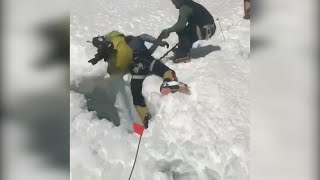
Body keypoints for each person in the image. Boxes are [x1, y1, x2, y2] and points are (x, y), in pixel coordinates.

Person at [88, 31, 189, 129]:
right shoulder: (134, 40)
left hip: (135, 71)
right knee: (163, 70)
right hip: (144, 59)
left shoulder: (118, 54)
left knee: (136, 94)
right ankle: (168, 81)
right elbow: (145, 37)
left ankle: (144, 115)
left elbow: (118, 71)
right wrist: (158, 41)